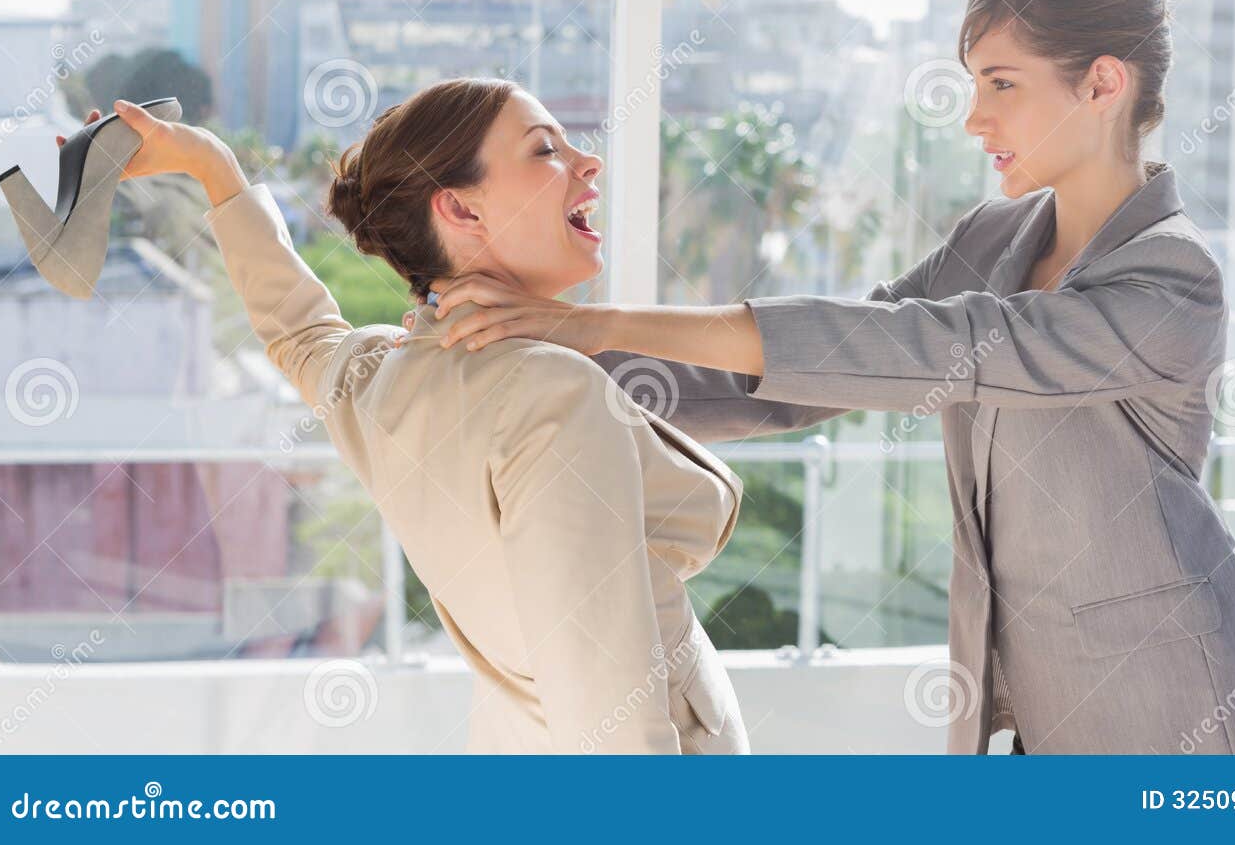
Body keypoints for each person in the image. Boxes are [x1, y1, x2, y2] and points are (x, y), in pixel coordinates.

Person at [425, 0, 1235, 754]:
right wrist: (554, 365)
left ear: (1103, 83)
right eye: (972, 83)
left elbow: (922, 344)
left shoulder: (1171, 278)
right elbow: (806, 374)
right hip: (1040, 720)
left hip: (1196, 719)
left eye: (1002, 83)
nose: (975, 116)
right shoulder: (994, 238)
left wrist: (594, 319)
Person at [92, 81, 747, 754]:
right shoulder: (557, 396)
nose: (589, 162)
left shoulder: (383, 376)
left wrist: (215, 170)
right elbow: (607, 712)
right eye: (545, 149)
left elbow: (297, 331)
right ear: (461, 208)